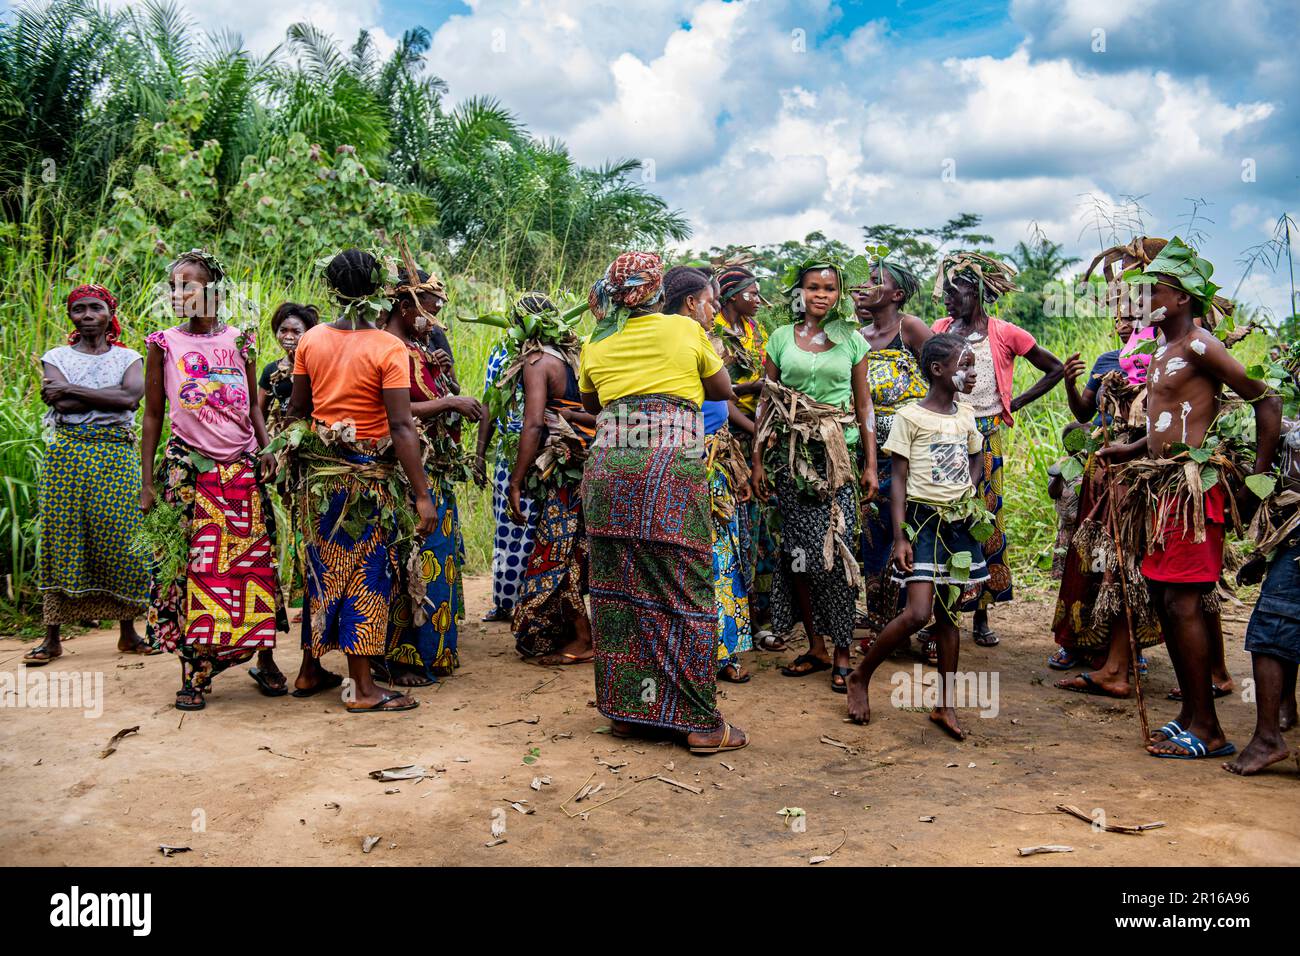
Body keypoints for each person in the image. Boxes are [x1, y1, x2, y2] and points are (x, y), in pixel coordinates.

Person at [1099, 237, 1281, 759]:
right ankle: (1190, 715)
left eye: (1153, 290)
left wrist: (1254, 483)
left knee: (1182, 604)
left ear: (1181, 298)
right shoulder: (1161, 352)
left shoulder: (1199, 345)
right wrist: (1130, 448)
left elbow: (1265, 399)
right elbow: (1170, 423)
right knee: (1167, 600)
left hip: (1192, 494)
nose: (1143, 300)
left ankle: (1209, 727)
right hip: (1162, 488)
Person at [580, 251, 748, 754]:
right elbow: (722, 388)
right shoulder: (684, 331)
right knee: (686, 595)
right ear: (657, 292)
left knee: (617, 593)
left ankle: (629, 714)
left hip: (609, 472)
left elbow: (593, 404)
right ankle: (700, 725)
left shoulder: (596, 340)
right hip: (669, 472)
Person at [287, 248, 439, 713]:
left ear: (331, 290)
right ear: (379, 293)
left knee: (321, 569)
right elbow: (401, 426)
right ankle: (363, 689)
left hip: (319, 481)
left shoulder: (311, 340)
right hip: (368, 483)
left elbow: (297, 411)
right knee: (366, 576)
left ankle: (310, 670)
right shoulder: (387, 348)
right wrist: (421, 495)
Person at [141, 250, 287, 709]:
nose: (178, 294)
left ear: (213, 292)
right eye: (173, 286)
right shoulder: (163, 344)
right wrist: (147, 482)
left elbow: (255, 408)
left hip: (242, 469)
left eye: (188, 285)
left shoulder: (241, 342)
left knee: (252, 567)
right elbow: (153, 416)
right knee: (194, 570)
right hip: (189, 470)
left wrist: (266, 449)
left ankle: (263, 658)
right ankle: (196, 670)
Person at [845, 333, 988, 740]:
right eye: (966, 365)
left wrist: (969, 488)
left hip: (958, 524)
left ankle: (944, 705)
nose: (973, 373)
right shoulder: (911, 417)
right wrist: (902, 536)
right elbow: (900, 480)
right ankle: (861, 674)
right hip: (921, 524)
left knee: (948, 616)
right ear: (938, 370)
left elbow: (976, 455)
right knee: (918, 613)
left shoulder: (965, 414)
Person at [931, 252, 1068, 647]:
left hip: (986, 437)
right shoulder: (940, 330)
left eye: (955, 292)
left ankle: (982, 612)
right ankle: (945, 611)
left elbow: (1055, 368)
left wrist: (1016, 403)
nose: (947, 300)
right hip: (945, 436)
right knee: (943, 517)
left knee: (984, 519)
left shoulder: (1005, 332)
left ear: (977, 292)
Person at [752, 259, 877, 693]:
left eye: (829, 288)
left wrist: (872, 464)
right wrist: (755, 459)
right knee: (799, 555)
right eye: (813, 287)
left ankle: (844, 650)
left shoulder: (853, 342)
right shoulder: (782, 338)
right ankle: (816, 646)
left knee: (835, 554)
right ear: (800, 292)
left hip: (835, 457)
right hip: (790, 459)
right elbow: (765, 403)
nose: (821, 294)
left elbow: (865, 408)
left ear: (840, 294)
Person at [26, 284, 153, 666]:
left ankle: (128, 633)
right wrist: (97, 394)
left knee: (121, 534)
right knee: (63, 534)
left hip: (116, 453)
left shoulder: (128, 357)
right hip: (68, 454)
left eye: (94, 308)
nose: (86, 315)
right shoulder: (56, 356)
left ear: (109, 314)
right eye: (78, 309)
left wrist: (72, 388)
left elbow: (131, 398)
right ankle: (52, 638)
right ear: (71, 316)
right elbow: (57, 400)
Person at [382, 266, 484, 686]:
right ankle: (401, 658)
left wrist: (444, 378)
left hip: (434, 471)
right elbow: (397, 413)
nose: (436, 321)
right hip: (408, 475)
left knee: (435, 562)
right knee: (408, 564)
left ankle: (432, 654)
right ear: (406, 307)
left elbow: (437, 396)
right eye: (430, 311)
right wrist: (451, 403)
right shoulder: (388, 348)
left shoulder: (418, 347)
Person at [506, 293, 597, 664]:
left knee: (558, 553)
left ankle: (582, 638)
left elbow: (532, 423)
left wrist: (515, 479)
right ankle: (577, 633)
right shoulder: (575, 358)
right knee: (571, 549)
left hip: (564, 471)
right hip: (584, 462)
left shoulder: (536, 362)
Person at [674, 267, 754, 682]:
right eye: (712, 301)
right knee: (713, 552)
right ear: (691, 303)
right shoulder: (689, 341)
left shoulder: (686, 339)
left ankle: (715, 648)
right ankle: (714, 650)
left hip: (713, 453)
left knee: (718, 549)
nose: (716, 309)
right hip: (698, 458)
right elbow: (721, 390)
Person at [851, 258, 933, 647]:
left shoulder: (910, 328)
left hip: (914, 456)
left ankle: (927, 625)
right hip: (871, 455)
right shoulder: (856, 337)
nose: (866, 286)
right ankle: (884, 625)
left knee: (916, 532)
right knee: (876, 538)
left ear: (897, 295)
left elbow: (943, 370)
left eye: (875, 281)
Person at [713, 265, 778, 648]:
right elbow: (723, 396)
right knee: (742, 522)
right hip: (735, 436)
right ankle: (745, 616)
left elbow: (769, 384)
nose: (758, 298)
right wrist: (756, 431)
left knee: (767, 527)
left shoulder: (757, 332)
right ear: (733, 295)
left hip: (762, 433)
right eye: (752, 292)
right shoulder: (715, 335)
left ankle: (765, 613)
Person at [258, 302, 319, 620]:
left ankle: (318, 595)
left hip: (316, 454)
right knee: (298, 523)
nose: (290, 336)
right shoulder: (271, 371)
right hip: (286, 459)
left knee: (314, 523)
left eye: (297, 330)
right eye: (284, 330)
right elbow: (257, 411)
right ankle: (305, 596)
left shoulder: (317, 366)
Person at [475, 336, 537, 623]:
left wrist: (480, 454)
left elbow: (488, 405)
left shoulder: (550, 354)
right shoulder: (502, 353)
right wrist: (479, 454)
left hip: (536, 451)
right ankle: (513, 603)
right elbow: (490, 404)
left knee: (517, 529)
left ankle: (518, 603)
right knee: (517, 528)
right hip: (531, 450)